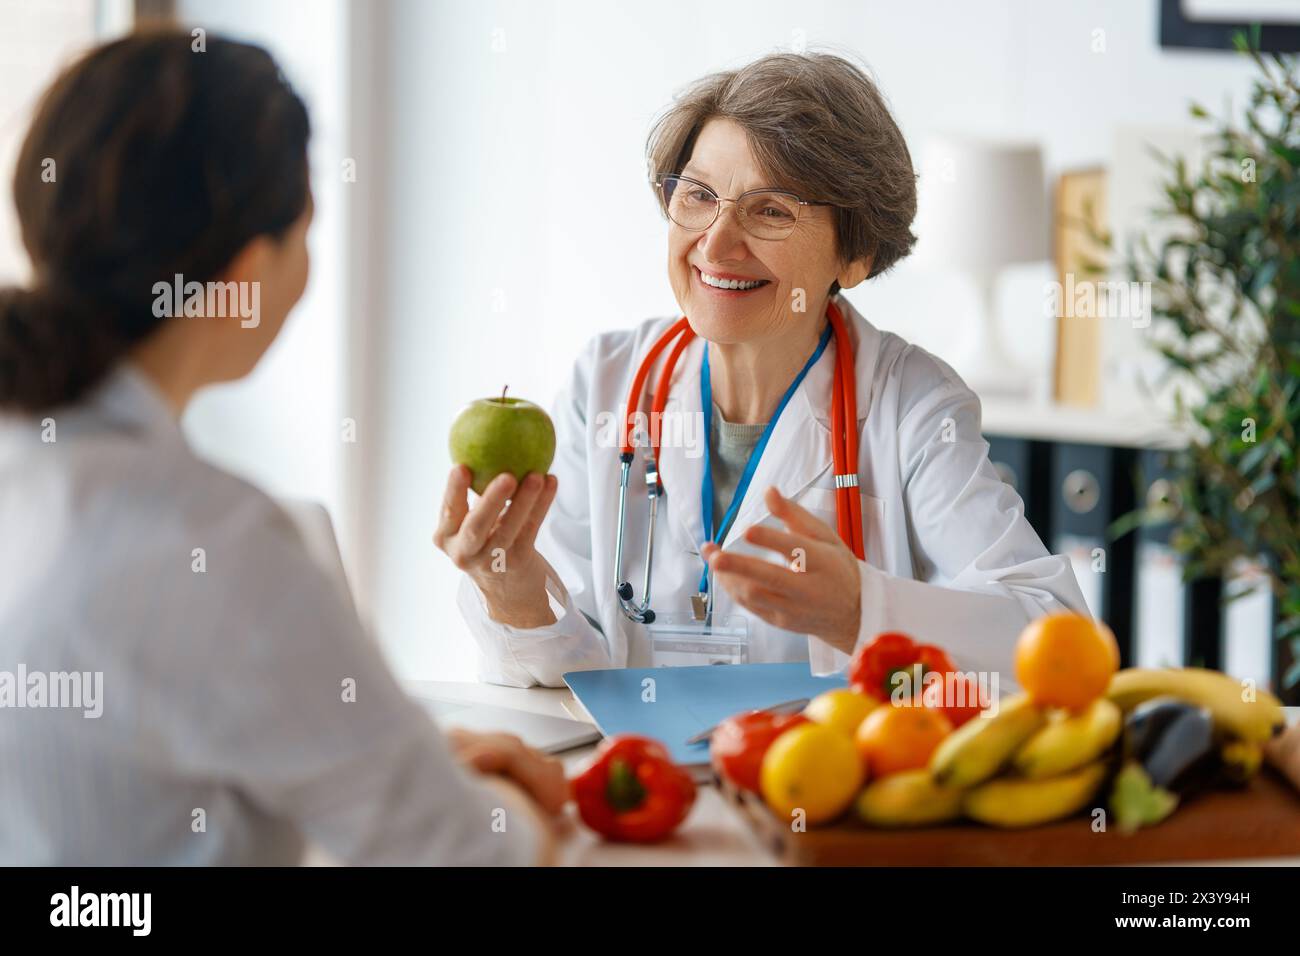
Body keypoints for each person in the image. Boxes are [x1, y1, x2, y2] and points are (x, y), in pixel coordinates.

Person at [0, 31, 564, 865]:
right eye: (305, 232)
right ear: (249, 268)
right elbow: (467, 855)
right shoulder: (211, 542)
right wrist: (503, 798)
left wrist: (386, 769)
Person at [436, 52, 1087, 688]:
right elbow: (570, 670)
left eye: (770, 210)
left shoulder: (911, 404)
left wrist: (864, 611)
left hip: (823, 785)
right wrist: (512, 589)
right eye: (698, 196)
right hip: (640, 783)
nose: (716, 244)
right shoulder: (605, 380)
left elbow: (1055, 635)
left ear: (855, 255)